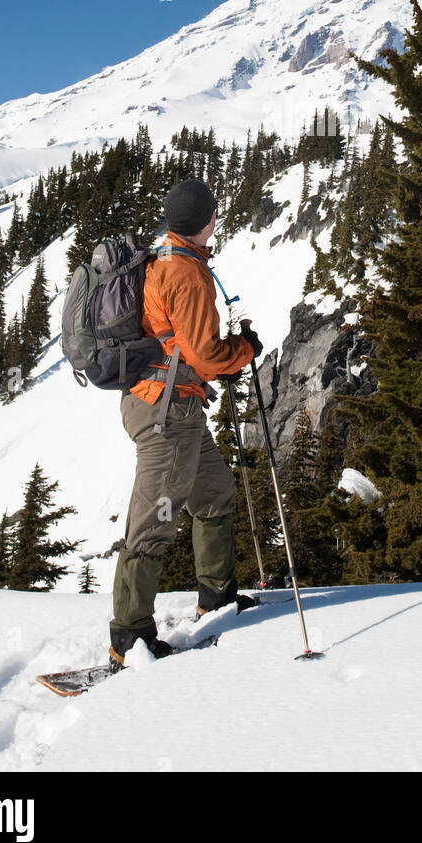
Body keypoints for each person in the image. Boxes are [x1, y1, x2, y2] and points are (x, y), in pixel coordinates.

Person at [108, 178, 263, 670]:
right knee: (153, 519)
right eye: (214, 214)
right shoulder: (188, 275)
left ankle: (216, 598)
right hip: (165, 411)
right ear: (205, 220)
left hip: (174, 405)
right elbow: (204, 354)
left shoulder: (166, 258)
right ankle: (129, 637)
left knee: (214, 492)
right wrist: (245, 350)